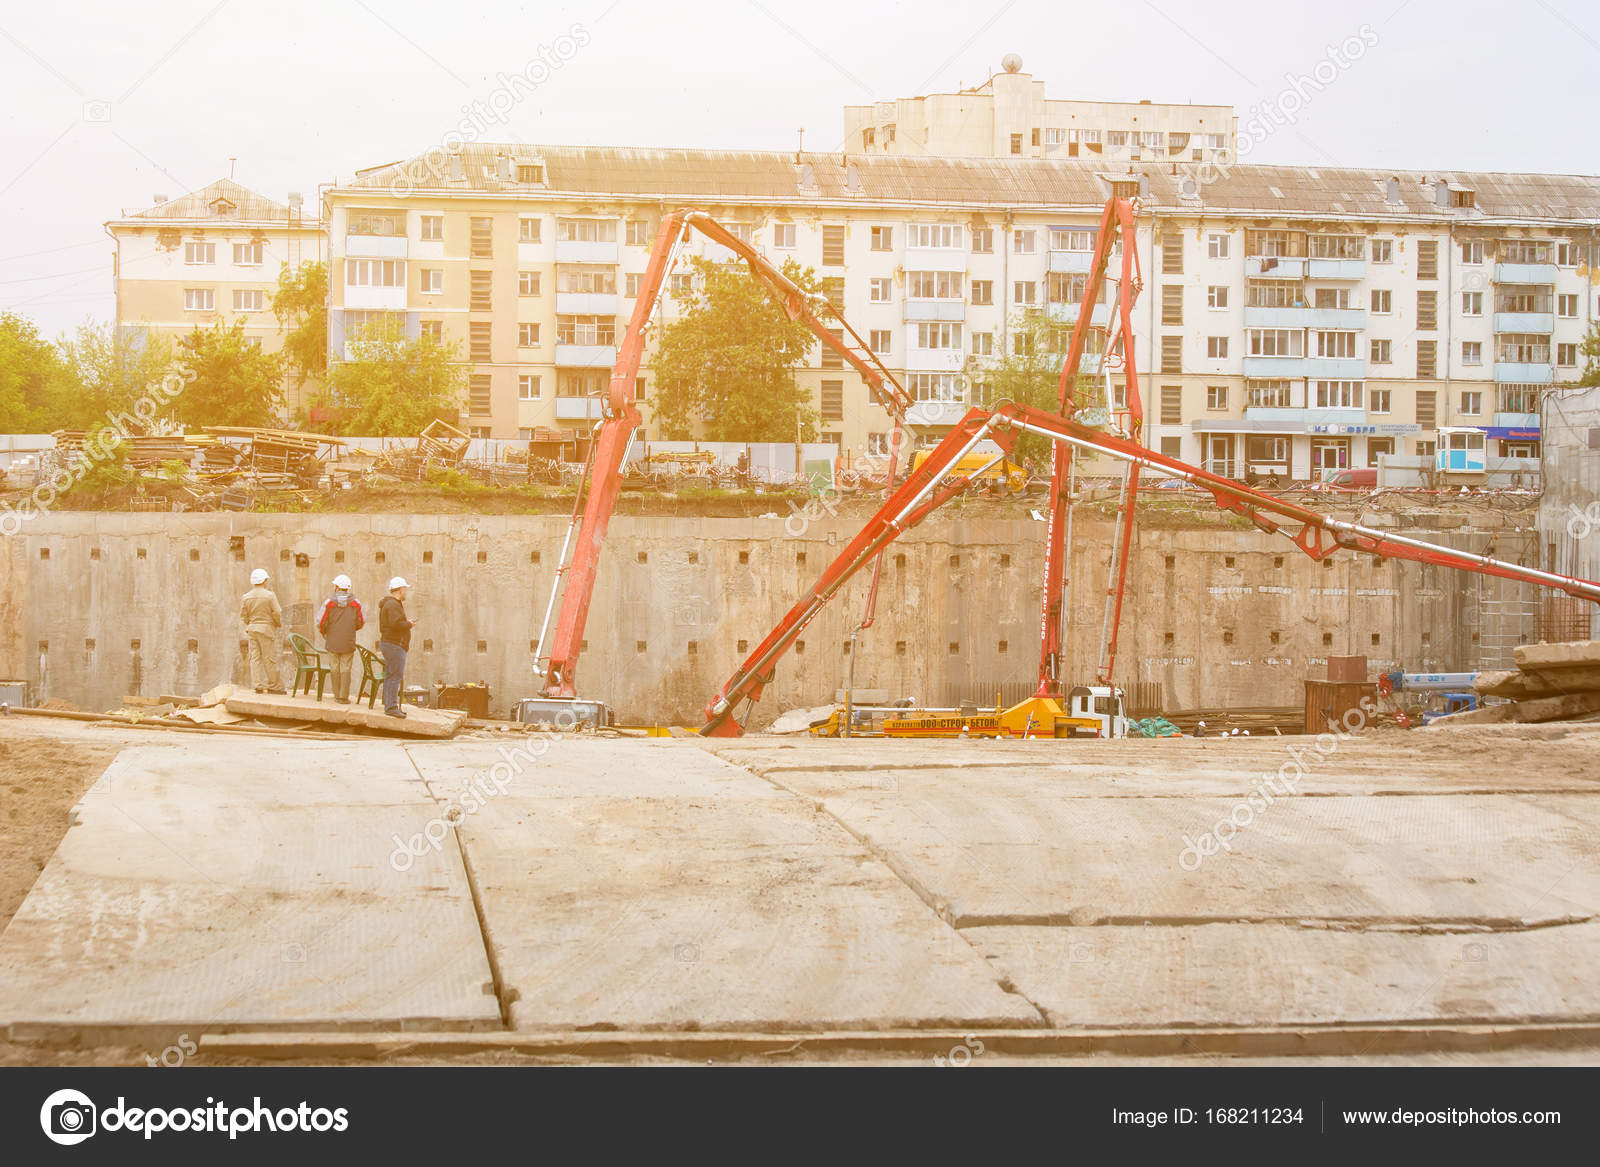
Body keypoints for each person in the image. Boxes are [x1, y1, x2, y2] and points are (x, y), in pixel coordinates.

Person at [316, 574, 365, 704]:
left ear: (337, 587)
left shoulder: (329, 602)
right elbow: (361, 621)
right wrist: (351, 630)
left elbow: (320, 622)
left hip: (332, 640)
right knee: (346, 668)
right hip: (348, 641)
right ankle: (344, 697)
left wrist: (325, 633)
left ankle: (337, 695)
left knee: (334, 667)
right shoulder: (356, 603)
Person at [377, 576, 416, 719]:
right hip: (394, 645)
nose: (406, 592)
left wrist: (405, 623)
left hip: (391, 644)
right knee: (395, 676)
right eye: (405, 589)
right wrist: (408, 624)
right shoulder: (393, 604)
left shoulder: (391, 604)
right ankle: (391, 707)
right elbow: (395, 624)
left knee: (391, 675)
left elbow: (394, 622)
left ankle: (389, 705)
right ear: (400, 590)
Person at [240, 568, 284, 694]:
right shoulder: (270, 595)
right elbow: (278, 612)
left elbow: (243, 615)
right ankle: (274, 686)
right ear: (265, 581)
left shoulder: (246, 597)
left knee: (255, 658)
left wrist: (251, 623)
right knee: (269, 657)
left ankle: (258, 685)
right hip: (266, 629)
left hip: (252, 629)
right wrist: (276, 623)